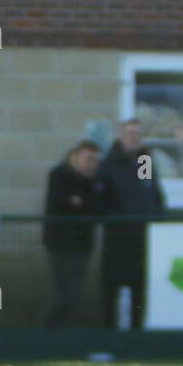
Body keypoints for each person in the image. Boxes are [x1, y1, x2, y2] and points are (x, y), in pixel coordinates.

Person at [95, 119, 166, 331]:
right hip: (117, 236)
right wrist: (115, 217)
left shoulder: (144, 161)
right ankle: (109, 334)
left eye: (137, 134)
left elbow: (150, 192)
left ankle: (136, 333)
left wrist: (156, 216)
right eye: (129, 133)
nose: (133, 137)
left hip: (141, 236)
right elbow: (101, 199)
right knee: (111, 287)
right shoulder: (109, 163)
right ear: (120, 135)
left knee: (139, 287)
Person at [42, 141, 101, 328]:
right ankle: (49, 333)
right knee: (63, 292)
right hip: (61, 244)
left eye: (95, 160)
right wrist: (78, 203)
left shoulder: (94, 181)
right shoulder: (60, 175)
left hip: (82, 243)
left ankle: (63, 332)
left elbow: (95, 208)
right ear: (75, 157)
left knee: (75, 292)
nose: (92, 164)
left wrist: (80, 203)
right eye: (88, 158)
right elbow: (62, 204)